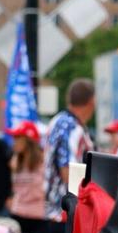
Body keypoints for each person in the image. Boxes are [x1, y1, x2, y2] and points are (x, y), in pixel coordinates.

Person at [44, 78, 95, 220]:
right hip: (64, 212)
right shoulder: (72, 128)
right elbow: (69, 172)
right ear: (91, 102)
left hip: (50, 208)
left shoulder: (56, 121)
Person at [4, 120, 48, 233]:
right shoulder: (15, 160)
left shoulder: (44, 161)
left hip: (38, 217)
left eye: (18, 138)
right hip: (17, 214)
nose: (14, 142)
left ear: (28, 140)